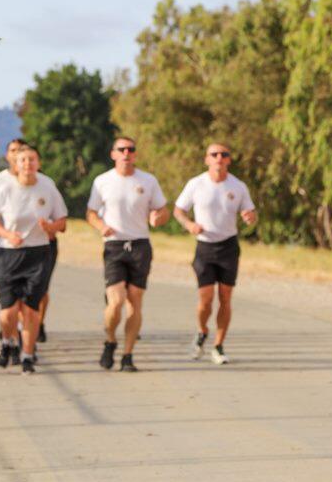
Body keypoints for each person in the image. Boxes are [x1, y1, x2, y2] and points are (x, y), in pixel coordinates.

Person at [86, 136, 170, 371]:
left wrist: (158, 217)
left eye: (130, 149)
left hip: (140, 245)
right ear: (113, 154)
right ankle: (110, 340)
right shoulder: (102, 181)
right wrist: (101, 226)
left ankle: (127, 355)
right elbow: (91, 213)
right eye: (121, 149)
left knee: (135, 300)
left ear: (135, 154)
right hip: (114, 245)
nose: (126, 153)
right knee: (116, 301)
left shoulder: (148, 180)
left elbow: (163, 210)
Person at [0, 142, 67, 374]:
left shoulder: (47, 186)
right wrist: (7, 234)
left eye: (32, 159)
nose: (28, 164)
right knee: (9, 310)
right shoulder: (2, 187)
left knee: (30, 308)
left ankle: (28, 355)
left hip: (38, 253)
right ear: (15, 164)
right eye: (23, 160)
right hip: (8, 253)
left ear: (38, 163)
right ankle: (7, 341)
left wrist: (50, 227)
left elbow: (62, 221)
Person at [173, 142, 256, 365]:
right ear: (207, 159)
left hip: (228, 246)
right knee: (206, 299)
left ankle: (218, 346)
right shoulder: (196, 184)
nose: (219, 157)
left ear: (228, 159)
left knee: (225, 297)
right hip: (205, 246)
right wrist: (189, 224)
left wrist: (249, 217)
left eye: (223, 154)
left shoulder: (238, 186)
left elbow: (250, 212)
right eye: (214, 154)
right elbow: (178, 210)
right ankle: (202, 331)